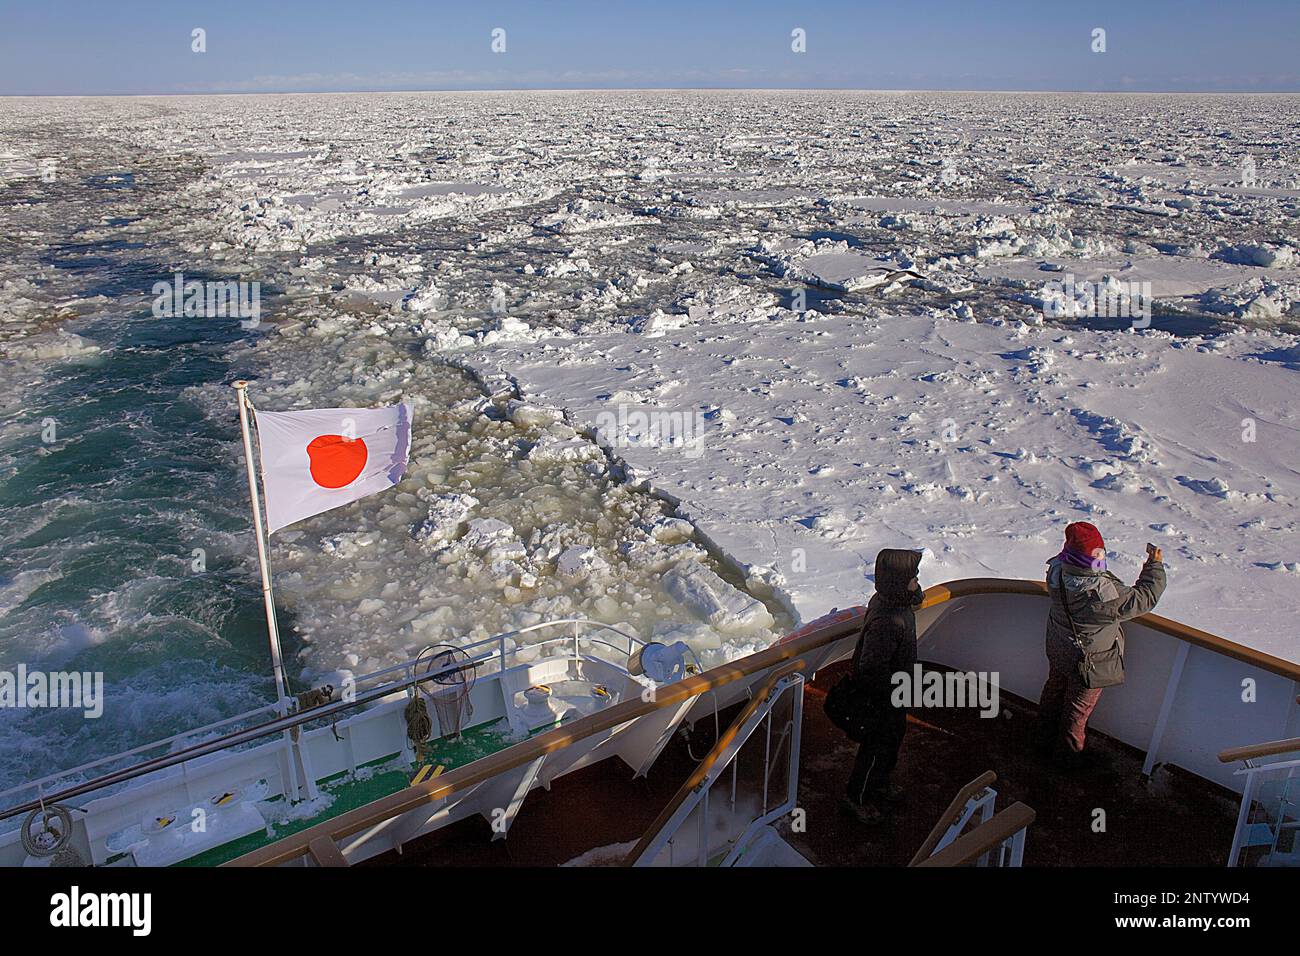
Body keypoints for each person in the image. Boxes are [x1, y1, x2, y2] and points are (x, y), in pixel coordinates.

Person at [1037, 522, 1166, 767]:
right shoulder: (1102, 593)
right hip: (1089, 662)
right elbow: (1144, 598)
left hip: (1059, 649)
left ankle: (1041, 744)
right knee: (1076, 713)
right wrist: (1154, 566)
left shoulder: (1056, 571)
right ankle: (1065, 763)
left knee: (1053, 693)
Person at [841, 548, 923, 825]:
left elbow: (915, 596)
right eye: (913, 577)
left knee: (892, 742)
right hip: (883, 697)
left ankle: (881, 783)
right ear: (899, 583)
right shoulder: (888, 619)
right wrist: (892, 695)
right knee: (876, 748)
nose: (917, 581)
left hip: (896, 692)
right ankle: (858, 797)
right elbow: (872, 667)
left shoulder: (894, 600)